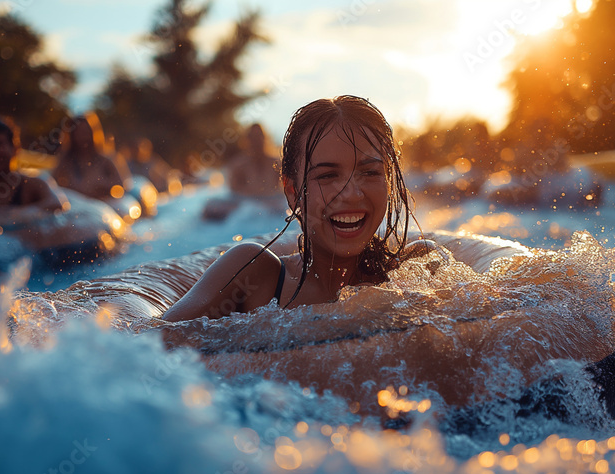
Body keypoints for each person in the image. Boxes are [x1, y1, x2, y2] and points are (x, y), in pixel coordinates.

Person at [163, 95, 432, 322]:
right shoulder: (255, 276)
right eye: (327, 176)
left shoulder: (417, 270)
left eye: (370, 172)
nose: (351, 194)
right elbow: (143, 350)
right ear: (292, 192)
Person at [51, 113, 131, 200]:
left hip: (102, 208)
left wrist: (104, 188)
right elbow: (52, 185)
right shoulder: (65, 161)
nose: (83, 136)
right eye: (79, 132)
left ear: (94, 133)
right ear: (72, 135)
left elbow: (123, 187)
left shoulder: (108, 160)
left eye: (86, 131)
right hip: (75, 209)